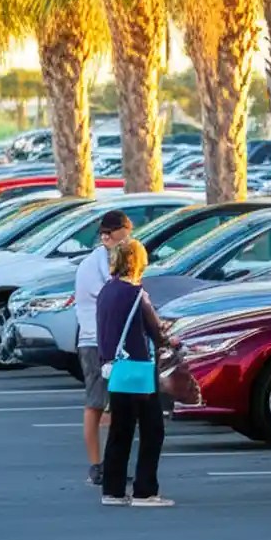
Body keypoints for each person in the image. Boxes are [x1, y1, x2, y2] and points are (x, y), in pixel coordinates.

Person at [97, 239, 174, 507]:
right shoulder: (136, 294)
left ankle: (112, 490)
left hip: (115, 368)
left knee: (120, 431)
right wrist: (167, 336)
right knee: (153, 430)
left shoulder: (106, 291)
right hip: (140, 370)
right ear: (137, 261)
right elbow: (156, 331)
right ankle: (145, 491)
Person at [74, 210, 132, 486]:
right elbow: (113, 297)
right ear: (108, 235)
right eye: (123, 237)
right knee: (101, 405)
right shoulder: (96, 264)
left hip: (104, 340)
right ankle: (100, 465)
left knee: (104, 404)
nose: (127, 242)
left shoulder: (105, 260)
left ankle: (105, 464)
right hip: (98, 341)